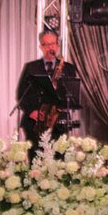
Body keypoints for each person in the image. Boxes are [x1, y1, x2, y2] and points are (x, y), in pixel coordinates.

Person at [16, 31, 80, 159]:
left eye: (52, 44)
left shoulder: (68, 68)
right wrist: (31, 111)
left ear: (57, 45)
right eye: (46, 44)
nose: (50, 48)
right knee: (36, 158)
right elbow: (21, 93)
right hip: (35, 120)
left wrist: (63, 106)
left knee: (59, 159)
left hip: (59, 121)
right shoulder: (31, 67)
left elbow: (72, 93)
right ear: (40, 47)